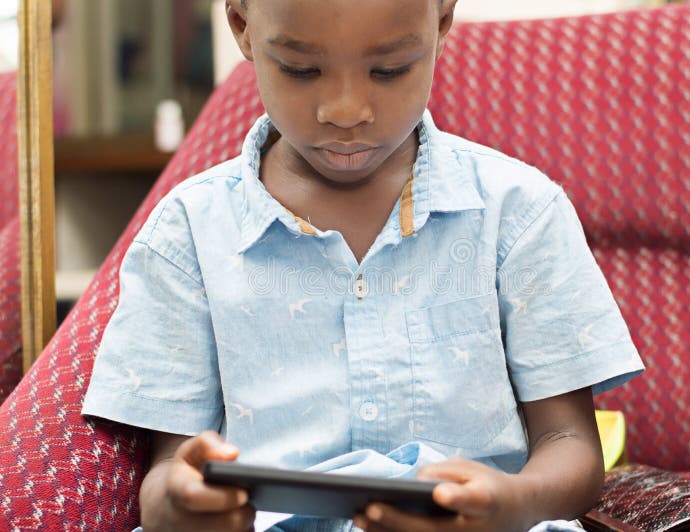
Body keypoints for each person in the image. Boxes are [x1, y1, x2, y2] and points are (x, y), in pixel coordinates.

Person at [82, 0, 644, 530]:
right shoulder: (188, 234)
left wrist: (511, 505)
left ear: (442, 21)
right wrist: (180, 506)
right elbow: (167, 470)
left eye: (390, 69)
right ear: (241, 25)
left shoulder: (518, 212)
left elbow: (570, 446)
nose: (346, 112)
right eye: (301, 69)